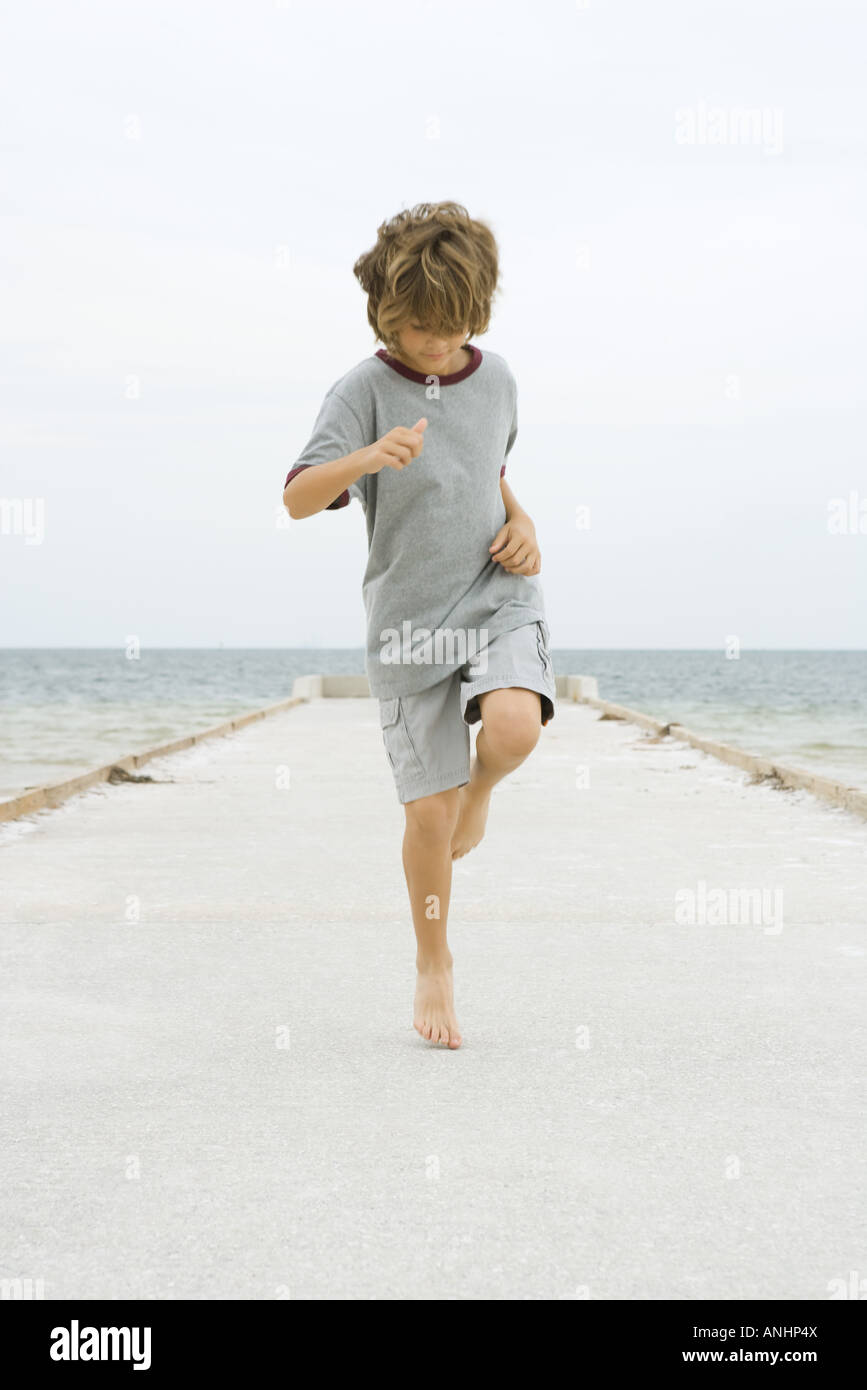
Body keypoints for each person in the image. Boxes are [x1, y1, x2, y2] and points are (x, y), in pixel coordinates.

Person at [283, 201, 556, 1049]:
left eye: (449, 329)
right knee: (427, 815)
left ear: (476, 313)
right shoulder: (360, 391)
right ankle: (433, 960)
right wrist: (364, 460)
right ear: (381, 315)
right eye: (414, 330)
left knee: (514, 728)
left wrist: (526, 524)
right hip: (407, 626)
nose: (433, 346)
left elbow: (489, 471)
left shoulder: (500, 379)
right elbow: (296, 499)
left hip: (493, 594)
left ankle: (482, 789)